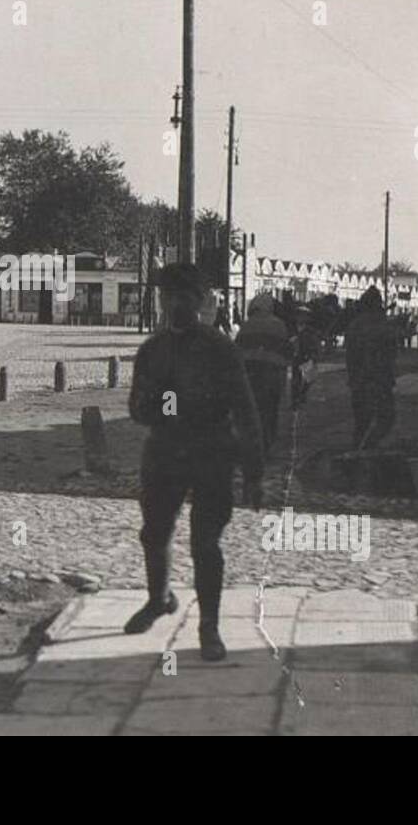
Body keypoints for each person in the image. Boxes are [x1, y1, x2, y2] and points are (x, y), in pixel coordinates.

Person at [126, 262, 265, 662]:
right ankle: (159, 599)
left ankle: (209, 625)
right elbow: (136, 407)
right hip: (164, 454)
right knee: (154, 533)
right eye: (169, 297)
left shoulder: (221, 349)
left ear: (201, 301)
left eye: (186, 297)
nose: (177, 305)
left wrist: (253, 474)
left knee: (205, 543)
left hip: (211, 454)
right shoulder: (152, 350)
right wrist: (165, 406)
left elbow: (245, 410)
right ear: (161, 300)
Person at [235, 293, 290, 451]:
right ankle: (267, 442)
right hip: (272, 375)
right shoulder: (279, 325)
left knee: (252, 410)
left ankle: (253, 443)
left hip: (250, 375)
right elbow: (286, 352)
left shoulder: (246, 325)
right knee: (270, 410)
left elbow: (236, 352)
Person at [344, 286, 396, 448]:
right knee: (386, 417)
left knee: (361, 422)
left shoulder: (355, 325)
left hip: (359, 379)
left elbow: (350, 353)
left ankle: (357, 450)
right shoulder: (381, 324)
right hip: (379, 379)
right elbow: (391, 350)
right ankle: (368, 446)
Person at [289, 304, 320, 411]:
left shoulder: (310, 331)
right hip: (297, 356)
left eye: (304, 315)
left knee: (308, 378)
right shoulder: (293, 328)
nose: (301, 317)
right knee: (296, 379)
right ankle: (295, 400)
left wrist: (314, 354)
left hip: (307, 356)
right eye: (299, 315)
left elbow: (314, 343)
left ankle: (302, 395)